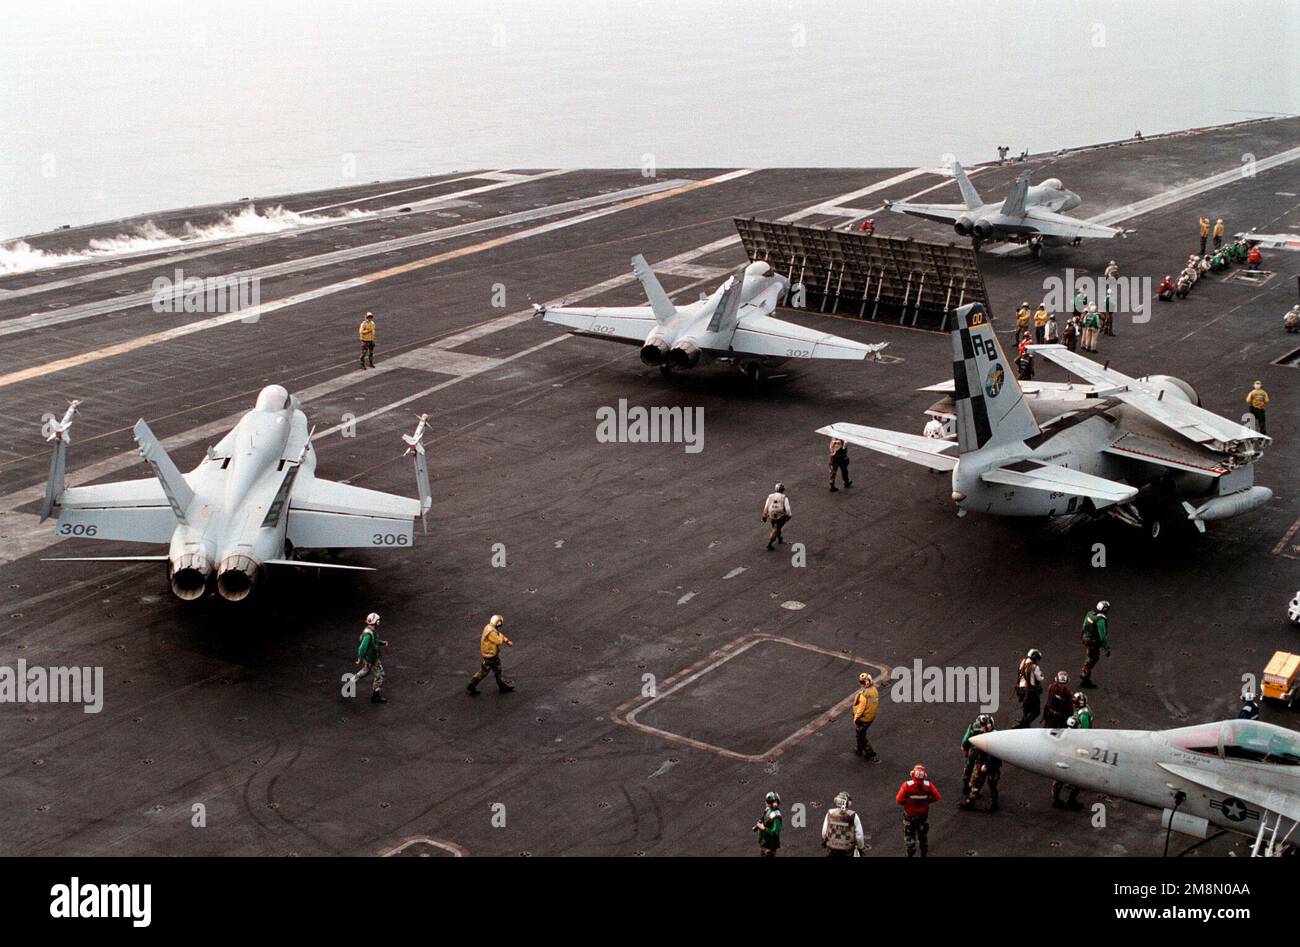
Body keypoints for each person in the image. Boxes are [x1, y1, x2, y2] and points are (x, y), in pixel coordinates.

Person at [896, 764, 941, 857]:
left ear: (913, 774)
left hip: (910, 816)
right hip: (923, 816)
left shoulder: (907, 785)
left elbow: (899, 800)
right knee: (923, 836)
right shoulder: (928, 785)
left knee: (909, 837)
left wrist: (907, 804)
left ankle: (911, 854)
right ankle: (923, 853)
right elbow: (937, 797)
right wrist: (927, 801)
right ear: (924, 776)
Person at [958, 715, 1000, 812]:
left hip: (992, 764)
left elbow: (995, 753)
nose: (987, 726)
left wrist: (987, 765)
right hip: (981, 761)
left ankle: (994, 803)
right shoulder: (982, 732)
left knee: (992, 784)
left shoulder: (995, 736)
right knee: (976, 782)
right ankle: (971, 802)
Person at [467, 614, 515, 695]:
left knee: (485, 671)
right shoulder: (492, 632)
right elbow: (499, 640)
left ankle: (472, 684)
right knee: (496, 670)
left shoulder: (489, 627)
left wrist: (506, 640)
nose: (500, 624)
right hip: (491, 656)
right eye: (500, 623)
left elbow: (499, 634)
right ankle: (502, 686)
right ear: (498, 623)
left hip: (488, 655)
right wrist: (505, 640)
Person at [352, 612, 388, 703]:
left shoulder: (370, 631)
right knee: (379, 676)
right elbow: (362, 648)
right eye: (378, 620)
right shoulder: (368, 634)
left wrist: (382, 643)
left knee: (365, 671)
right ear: (376, 622)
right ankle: (376, 696)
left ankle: (351, 682)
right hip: (372, 659)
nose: (379, 622)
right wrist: (359, 658)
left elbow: (374, 641)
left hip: (369, 658)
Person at [821, 791, 866, 857]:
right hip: (847, 850)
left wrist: (825, 840)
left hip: (832, 847)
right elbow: (859, 835)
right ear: (846, 802)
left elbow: (824, 831)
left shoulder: (830, 813)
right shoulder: (853, 815)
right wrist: (861, 847)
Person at [1080, 601, 1111, 689]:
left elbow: (1084, 625)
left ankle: (1085, 674)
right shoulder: (1100, 620)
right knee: (1092, 658)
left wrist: (1082, 634)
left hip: (1086, 637)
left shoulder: (1090, 613)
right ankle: (1085, 677)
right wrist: (1106, 648)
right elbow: (1102, 636)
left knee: (1090, 656)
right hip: (1093, 641)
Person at [852, 672, 881, 762]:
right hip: (871, 716)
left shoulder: (865, 694)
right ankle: (859, 748)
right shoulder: (874, 690)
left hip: (864, 718)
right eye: (861, 682)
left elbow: (861, 708)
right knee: (859, 732)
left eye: (864, 682)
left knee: (861, 735)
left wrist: (856, 718)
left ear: (869, 681)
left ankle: (871, 754)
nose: (863, 684)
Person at [1015, 648, 1044, 727]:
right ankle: (1023, 724)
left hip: (1021, 689)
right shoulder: (1035, 667)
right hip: (1031, 691)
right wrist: (1041, 674)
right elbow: (1040, 678)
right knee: (1036, 711)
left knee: (1026, 707)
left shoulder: (1022, 662)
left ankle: (1025, 724)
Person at [762, 482, 791, 551]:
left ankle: (780, 538)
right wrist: (789, 515)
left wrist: (764, 515)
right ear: (782, 490)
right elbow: (787, 508)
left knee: (776, 527)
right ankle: (769, 544)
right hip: (780, 515)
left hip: (771, 514)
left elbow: (766, 506)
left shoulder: (770, 496)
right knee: (776, 528)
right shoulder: (784, 497)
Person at [753, 791, 782, 857]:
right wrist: (757, 826)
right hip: (764, 841)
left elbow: (775, 832)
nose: (766, 803)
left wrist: (764, 828)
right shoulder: (768, 809)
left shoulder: (776, 816)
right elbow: (763, 818)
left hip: (770, 846)